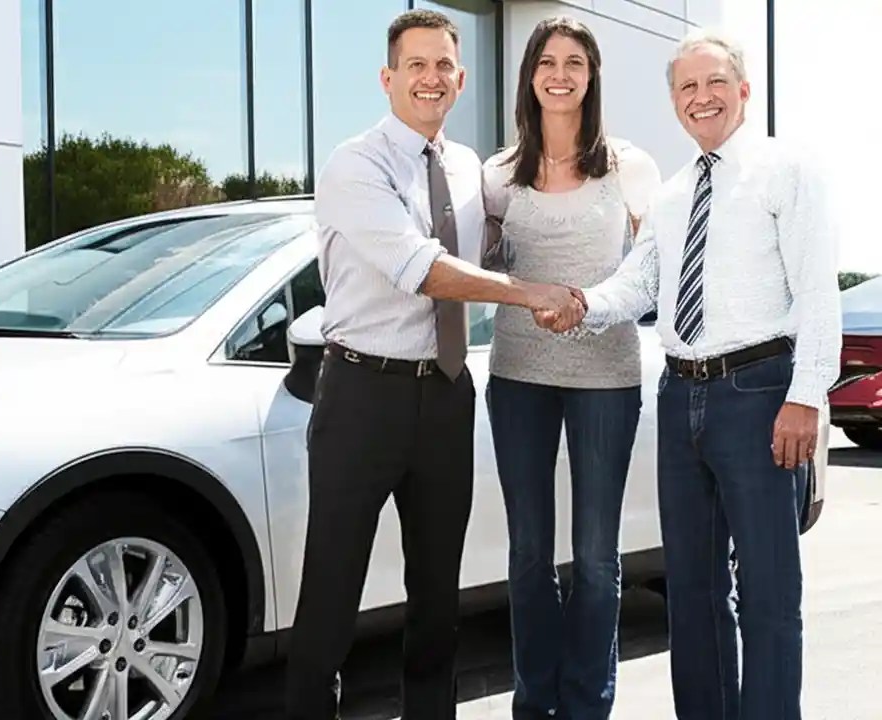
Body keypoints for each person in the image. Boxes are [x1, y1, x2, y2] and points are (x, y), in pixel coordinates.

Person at [283, 9, 585, 720]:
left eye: (443, 65)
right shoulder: (355, 164)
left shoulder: (467, 168)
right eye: (415, 65)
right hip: (362, 394)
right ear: (388, 78)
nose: (431, 78)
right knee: (331, 592)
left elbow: (500, 250)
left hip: (446, 395)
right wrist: (533, 293)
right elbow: (423, 269)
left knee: (436, 600)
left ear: (461, 76)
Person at [540, 29, 841, 720]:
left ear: (742, 90)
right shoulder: (675, 194)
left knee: (768, 594)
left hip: (760, 393)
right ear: (675, 101)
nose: (700, 98)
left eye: (714, 84)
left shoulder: (785, 170)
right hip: (679, 397)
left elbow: (818, 294)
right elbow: (637, 284)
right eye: (686, 88)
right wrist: (579, 305)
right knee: (695, 595)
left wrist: (805, 396)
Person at [480, 16, 661, 720]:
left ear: (592, 77)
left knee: (595, 556)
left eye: (575, 63)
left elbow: (648, 277)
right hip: (519, 375)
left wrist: (592, 305)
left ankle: (586, 704)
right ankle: (536, 700)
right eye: (548, 61)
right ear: (529, 75)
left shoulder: (629, 166)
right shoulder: (497, 176)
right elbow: (481, 268)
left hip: (607, 378)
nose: (561, 74)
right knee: (528, 553)